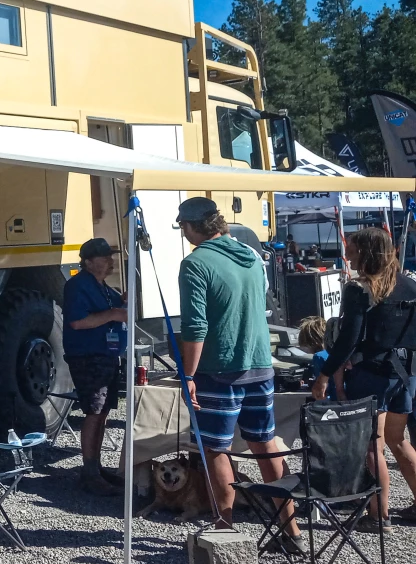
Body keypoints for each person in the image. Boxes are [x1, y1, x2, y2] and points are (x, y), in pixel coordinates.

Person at [176, 197, 298, 540]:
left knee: (216, 447)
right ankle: (291, 529)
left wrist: (187, 374)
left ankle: (225, 526)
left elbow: (195, 327)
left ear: (190, 226)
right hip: (259, 363)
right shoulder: (249, 256)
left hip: (220, 368)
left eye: (183, 226)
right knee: (264, 442)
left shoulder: (195, 264)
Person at [313, 226, 416, 530]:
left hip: (372, 374)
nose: (347, 256)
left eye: (352, 250)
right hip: (404, 375)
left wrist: (324, 374)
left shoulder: (360, 289)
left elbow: (348, 339)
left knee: (374, 446)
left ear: (367, 253)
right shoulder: (410, 287)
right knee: (399, 441)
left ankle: (378, 515)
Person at [62, 237, 127, 496]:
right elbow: (77, 322)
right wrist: (113, 314)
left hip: (106, 355)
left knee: (102, 412)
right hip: (88, 356)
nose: (110, 261)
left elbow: (115, 306)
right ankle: (89, 473)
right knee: (94, 411)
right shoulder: (78, 286)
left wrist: (120, 303)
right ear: (88, 262)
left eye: (110, 256)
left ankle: (95, 467)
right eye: (104, 257)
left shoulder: (102, 287)